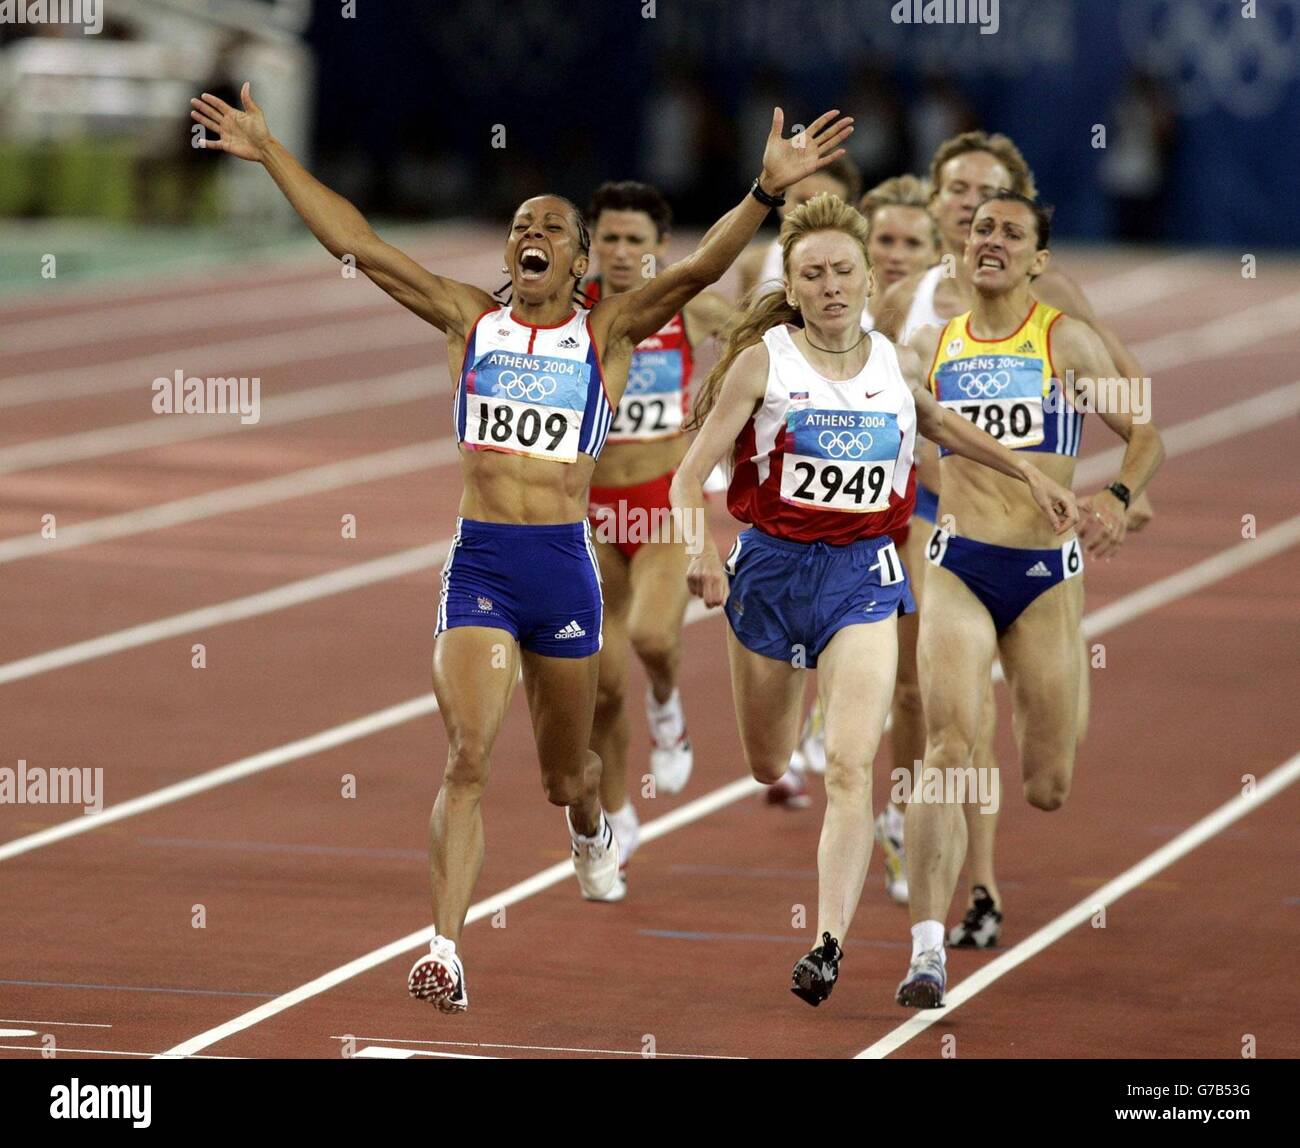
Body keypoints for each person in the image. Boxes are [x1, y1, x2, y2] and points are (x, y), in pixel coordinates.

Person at [191, 83, 853, 1011]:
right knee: (466, 755)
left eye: (551, 225)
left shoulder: (606, 330)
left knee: (565, 775)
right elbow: (358, 242)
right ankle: (445, 950)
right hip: (483, 565)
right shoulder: (471, 318)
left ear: (580, 261)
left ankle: (589, 827)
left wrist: (764, 192)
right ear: (511, 254)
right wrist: (271, 155)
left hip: (563, 572)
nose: (531, 231)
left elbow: (699, 272)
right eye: (519, 225)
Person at [670, 193, 1078, 1007]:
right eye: (813, 273)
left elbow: (942, 424)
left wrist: (1027, 469)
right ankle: (790, 738)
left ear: (864, 280)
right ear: (792, 283)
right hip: (770, 575)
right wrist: (700, 556)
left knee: (855, 766)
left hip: (863, 575)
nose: (831, 286)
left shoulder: (892, 358)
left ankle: (827, 941)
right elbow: (688, 478)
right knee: (769, 760)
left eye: (843, 271)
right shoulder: (765, 364)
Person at [873, 132, 1157, 942]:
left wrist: (1122, 494)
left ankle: (1059, 680)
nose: (983, 230)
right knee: (948, 735)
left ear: (1035, 258)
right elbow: (874, 409)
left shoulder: (1062, 328)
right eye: (972, 215)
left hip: (1045, 559)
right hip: (952, 546)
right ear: (947, 218)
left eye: (1004, 223)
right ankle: (932, 935)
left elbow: (1141, 424)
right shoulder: (921, 330)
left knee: (1048, 783)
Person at [581, 181, 732, 879]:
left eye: (635, 241)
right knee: (601, 685)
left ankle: (667, 704)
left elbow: (754, 344)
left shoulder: (687, 303)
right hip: (589, 517)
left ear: (659, 249)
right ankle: (616, 812)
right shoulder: (570, 309)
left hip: (665, 506)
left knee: (650, 639)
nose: (619, 252)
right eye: (607, 238)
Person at [735, 155, 862, 299]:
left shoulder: (870, 266)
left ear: (851, 210)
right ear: (781, 199)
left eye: (826, 204)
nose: (810, 213)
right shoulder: (755, 263)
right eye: (802, 201)